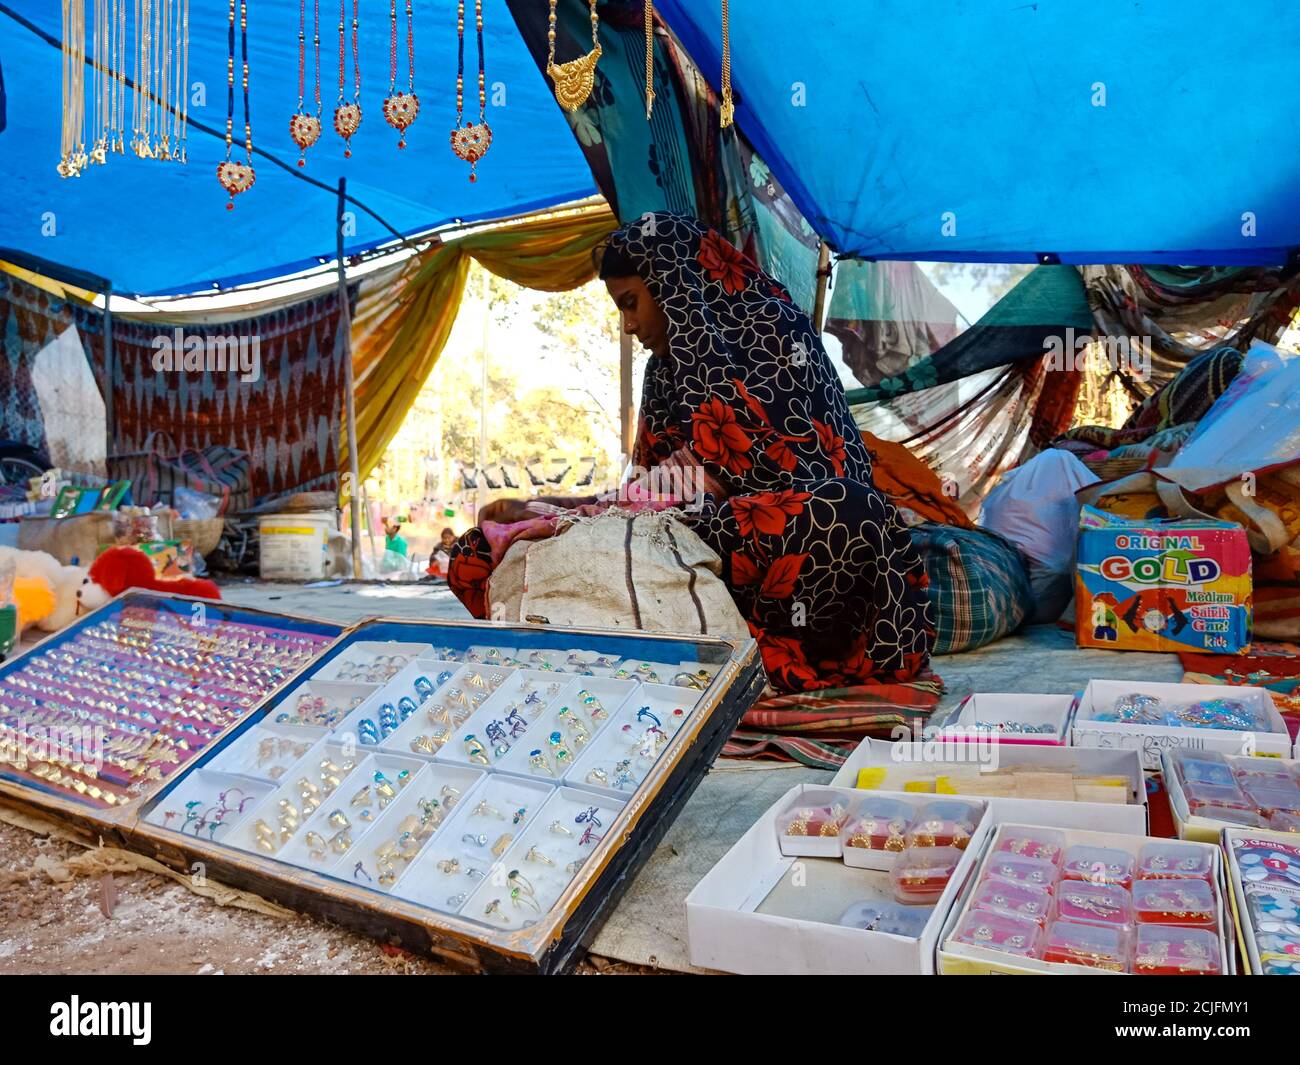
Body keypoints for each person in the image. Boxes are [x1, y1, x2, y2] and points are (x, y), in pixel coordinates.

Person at [450, 212, 933, 691]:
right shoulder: (663, 372)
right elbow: (647, 495)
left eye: (632, 302)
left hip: (800, 543)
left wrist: (627, 508)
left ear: (673, 284)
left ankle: (734, 644)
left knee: (851, 511)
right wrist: (566, 514)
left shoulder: (775, 330)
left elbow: (780, 469)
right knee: (477, 551)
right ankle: (684, 631)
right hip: (691, 542)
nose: (629, 325)